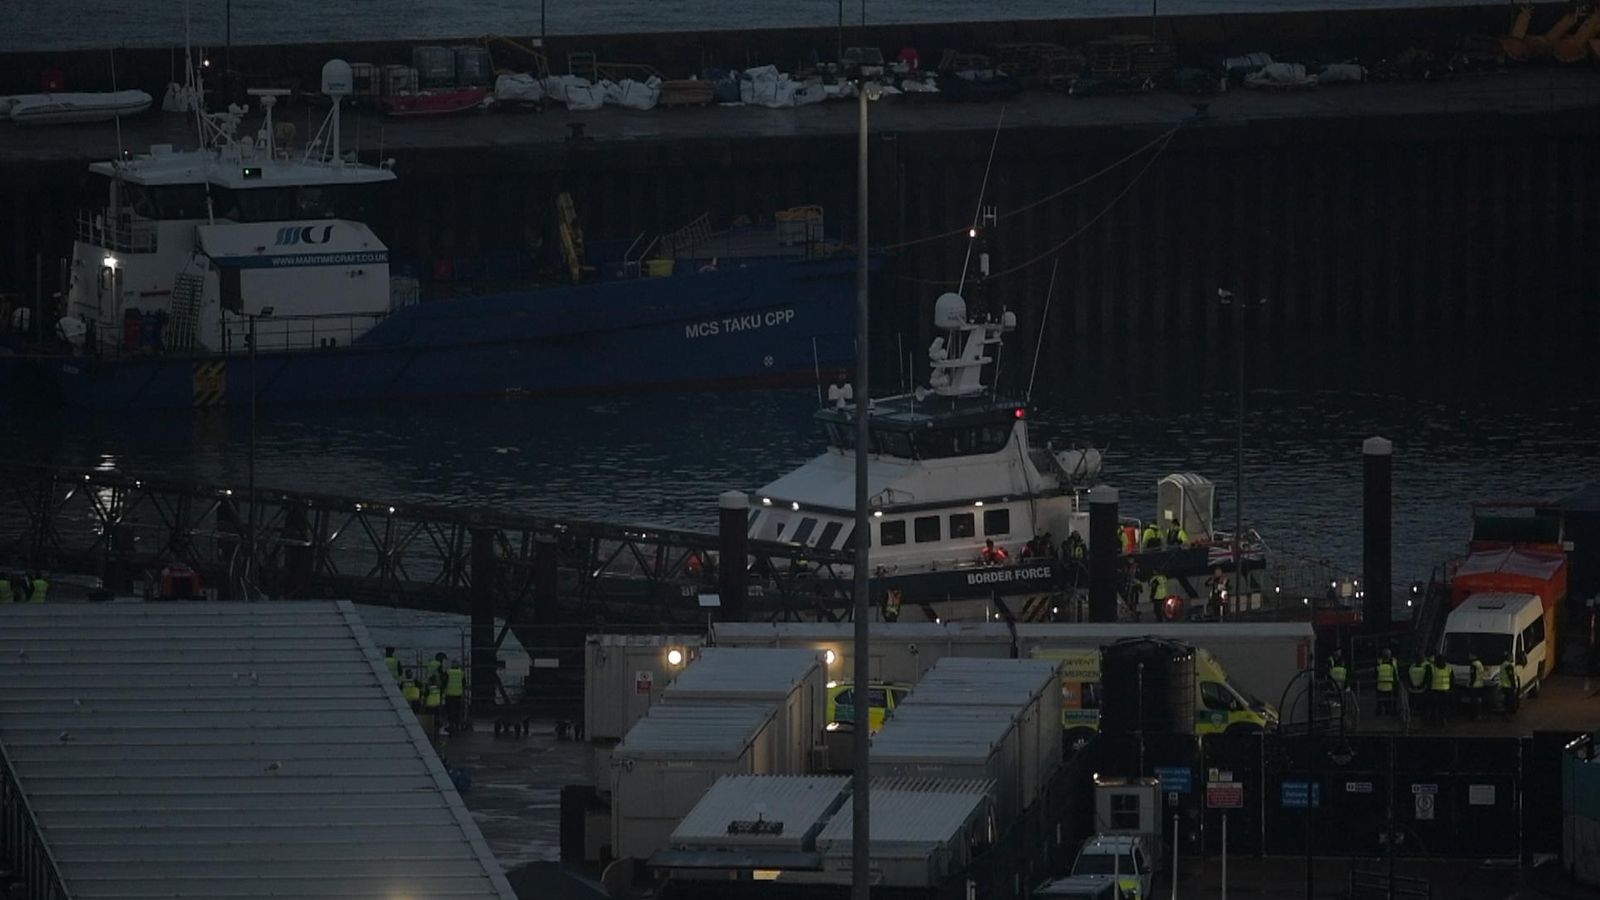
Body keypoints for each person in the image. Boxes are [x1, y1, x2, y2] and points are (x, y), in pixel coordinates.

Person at [1429, 653, 1453, 726]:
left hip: (1435, 690)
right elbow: (1452, 680)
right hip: (1445, 691)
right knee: (1444, 707)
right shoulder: (1449, 668)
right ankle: (1443, 720)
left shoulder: (1432, 668)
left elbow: (1429, 679)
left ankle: (1436, 721)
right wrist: (1451, 689)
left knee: (1436, 707)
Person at [444, 659, 466, 732]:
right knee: (457, 710)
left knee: (450, 711)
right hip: (458, 694)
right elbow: (464, 684)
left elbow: (445, 682)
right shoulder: (461, 673)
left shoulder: (448, 672)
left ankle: (451, 725)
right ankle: (457, 725)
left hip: (449, 694)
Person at [1374, 648, 1397, 717]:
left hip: (1380, 687)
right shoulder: (1392, 666)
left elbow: (1375, 676)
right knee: (1388, 702)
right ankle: (1388, 712)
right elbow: (1395, 676)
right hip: (1389, 687)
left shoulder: (1378, 667)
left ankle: (1379, 713)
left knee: (1379, 702)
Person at [1466, 651, 1486, 721]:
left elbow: (1473, 676)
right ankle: (1479, 715)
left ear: (1473, 656)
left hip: (1474, 685)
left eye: (1470, 655)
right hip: (1480, 684)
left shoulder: (1473, 664)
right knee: (1478, 701)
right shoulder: (1479, 663)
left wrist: (1470, 684)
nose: (1469, 657)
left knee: (1473, 702)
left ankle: (1474, 716)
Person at [1498, 655, 1519, 719]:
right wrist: (1514, 685)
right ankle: (1508, 714)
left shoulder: (1503, 664)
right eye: (1512, 657)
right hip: (1509, 686)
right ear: (1509, 658)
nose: (1513, 658)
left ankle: (1506, 713)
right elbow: (1511, 676)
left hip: (1503, 685)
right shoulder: (1509, 666)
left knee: (1506, 700)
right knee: (1509, 701)